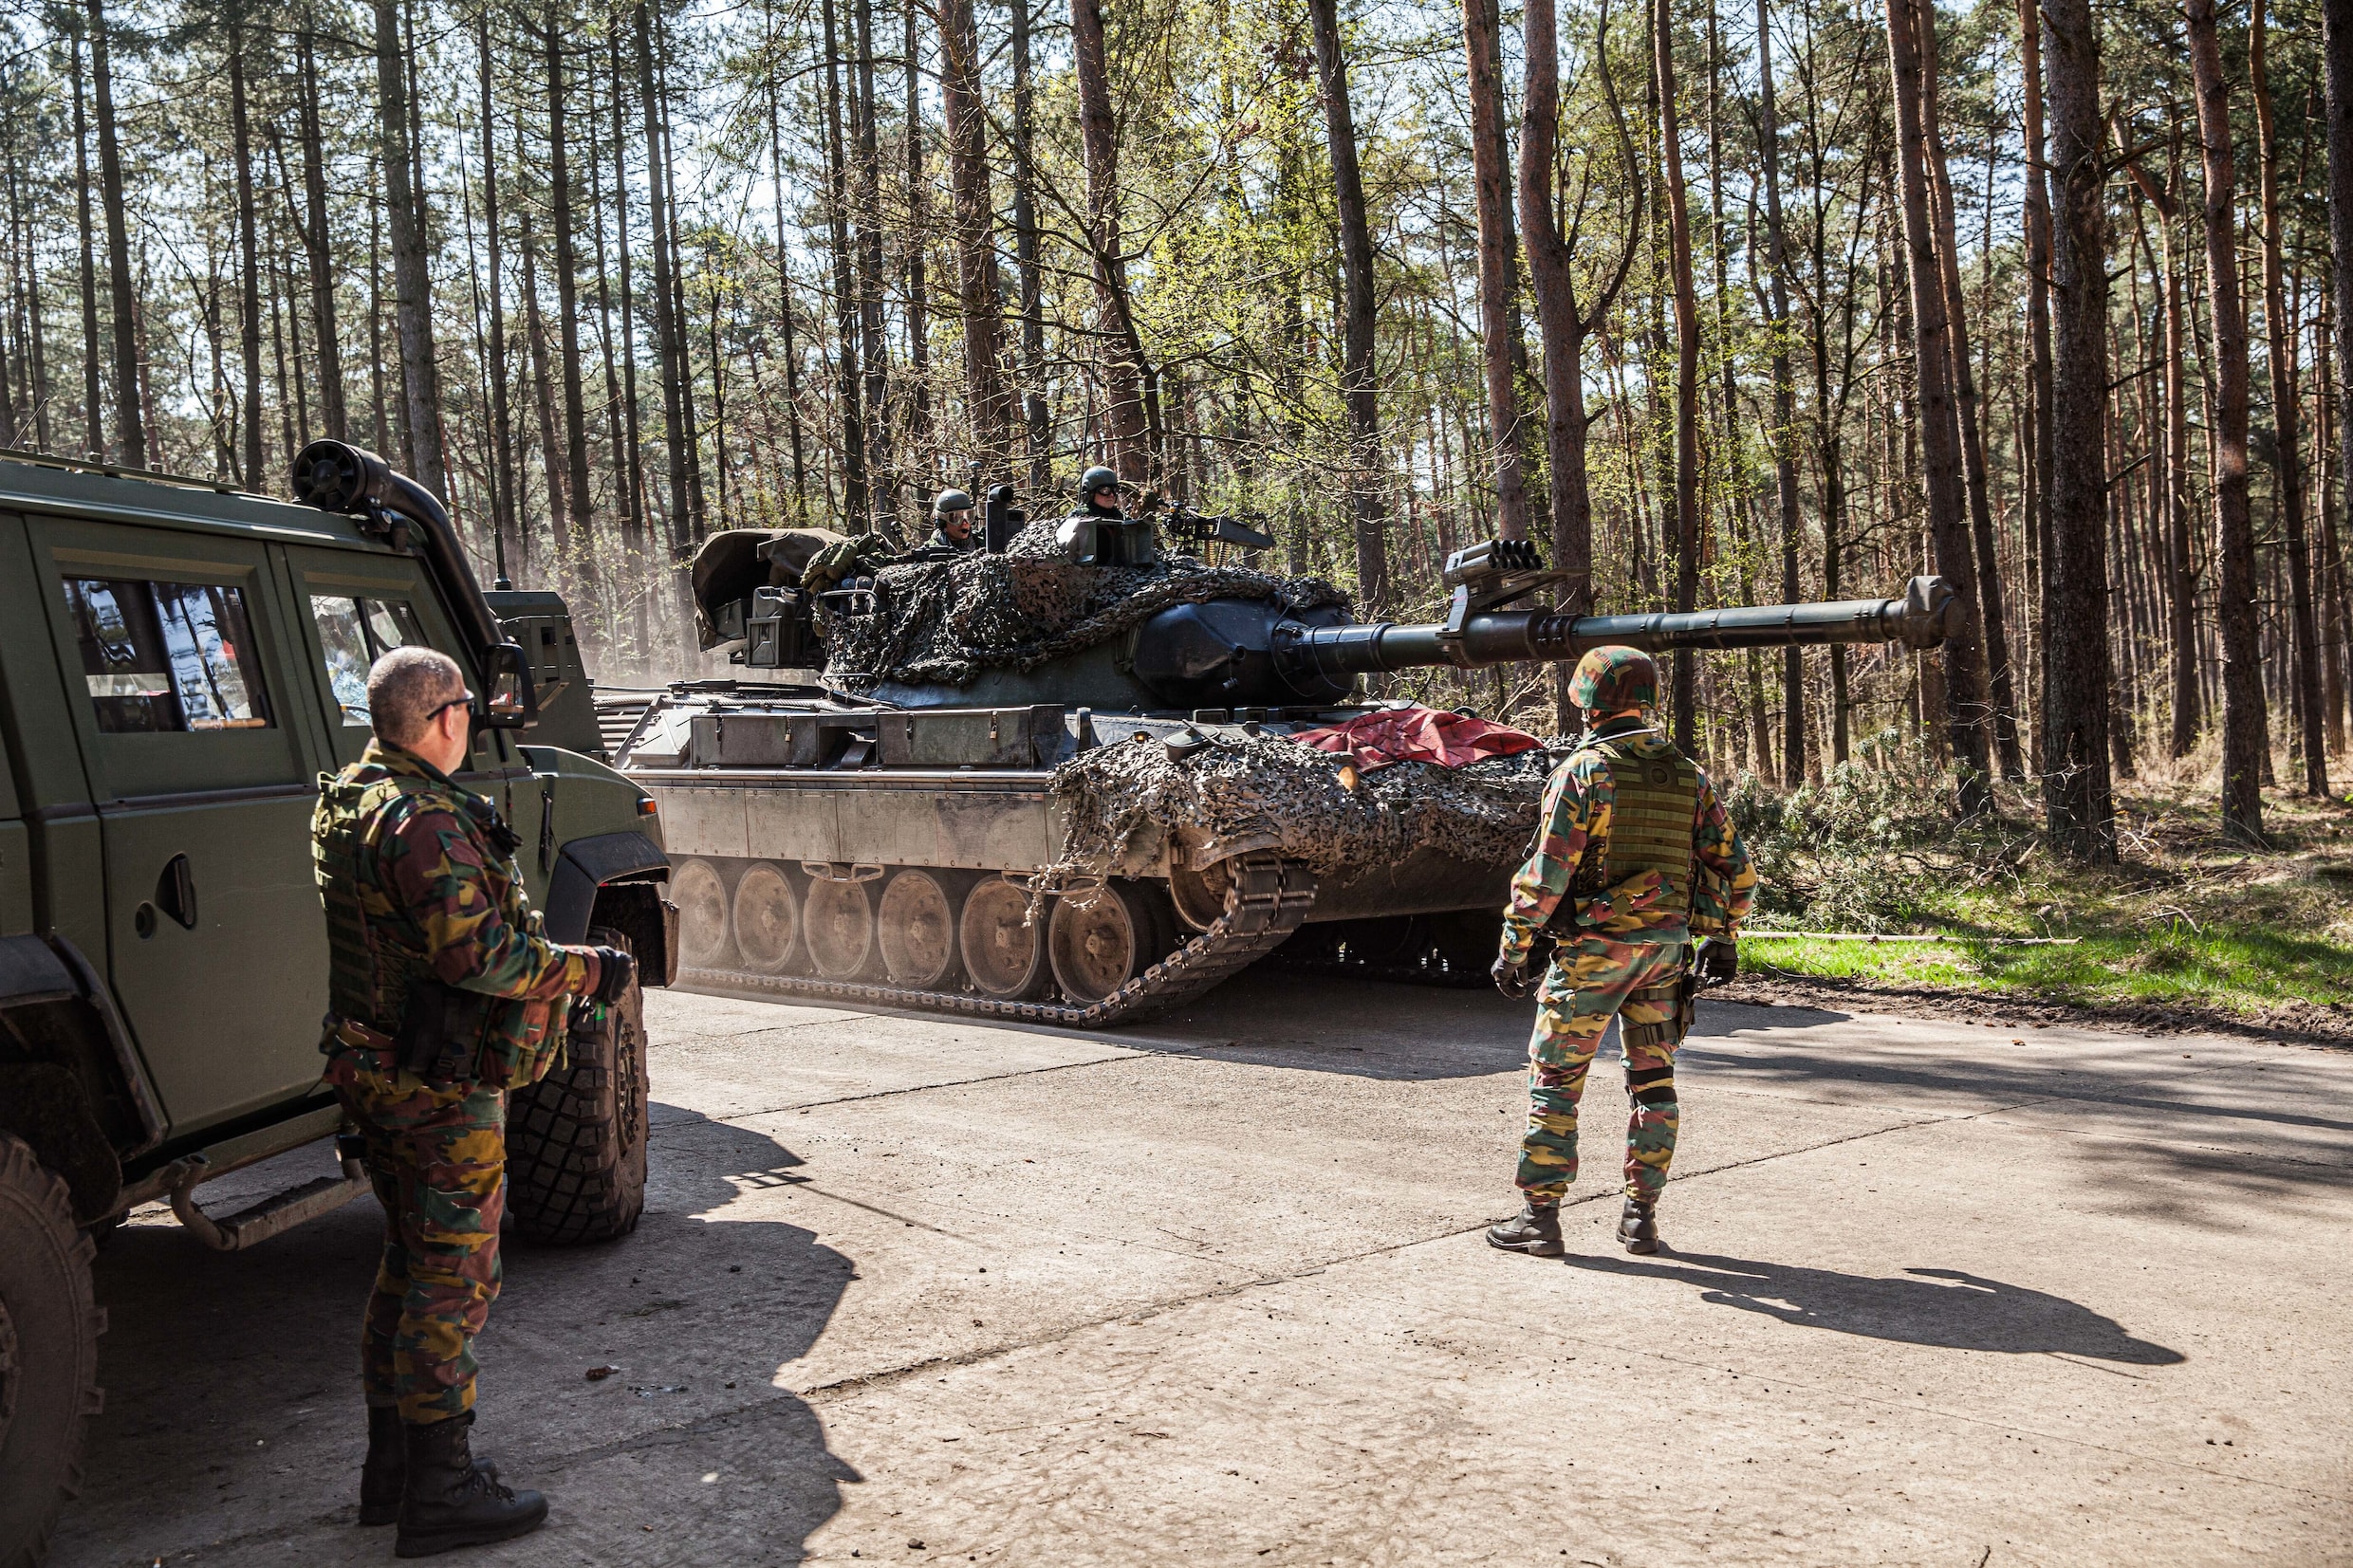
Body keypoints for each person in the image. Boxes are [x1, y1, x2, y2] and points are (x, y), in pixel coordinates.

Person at [311, 645, 630, 1557]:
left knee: (409, 1264)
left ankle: (392, 1474)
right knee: (453, 1278)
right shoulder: (422, 822)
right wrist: (587, 969)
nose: (475, 719)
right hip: (437, 1087)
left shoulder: (354, 799)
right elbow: (480, 958)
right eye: (468, 706)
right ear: (444, 717)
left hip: (375, 1069)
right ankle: (442, 1491)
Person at [1485, 646, 1754, 1259]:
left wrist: (1515, 944)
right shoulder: (1687, 773)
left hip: (1593, 953)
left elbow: (1549, 870)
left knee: (1556, 1081)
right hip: (1664, 954)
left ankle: (1541, 1219)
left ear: (1586, 700)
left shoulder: (1586, 771)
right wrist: (1723, 933)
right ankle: (1641, 1219)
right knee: (1654, 1082)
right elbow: (1735, 867)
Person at [1055, 466, 1158, 566]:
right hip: (1087, 576)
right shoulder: (1076, 518)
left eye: (1115, 490)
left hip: (1120, 576)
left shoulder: (1121, 518)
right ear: (1090, 493)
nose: (1112, 495)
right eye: (1105, 490)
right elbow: (1064, 553)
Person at [927, 488, 979, 552]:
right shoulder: (929, 551)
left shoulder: (983, 542)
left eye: (968, 516)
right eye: (956, 518)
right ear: (942, 523)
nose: (964, 523)